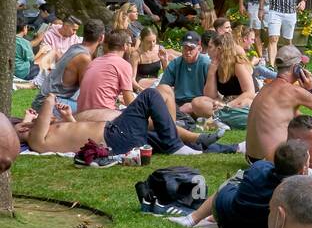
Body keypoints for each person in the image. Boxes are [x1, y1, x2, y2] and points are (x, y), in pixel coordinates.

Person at [172, 138, 310, 228]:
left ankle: (192, 219)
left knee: (234, 180)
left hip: (230, 219)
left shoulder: (259, 167)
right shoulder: (302, 193)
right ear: (302, 169)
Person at [16, 88, 200, 157]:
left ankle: (214, 146)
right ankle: (175, 146)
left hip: (116, 134)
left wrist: (68, 118)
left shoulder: (45, 134)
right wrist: (48, 97)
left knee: (155, 137)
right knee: (150, 95)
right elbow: (47, 107)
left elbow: (75, 133)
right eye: (20, 128)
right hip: (114, 137)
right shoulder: (36, 140)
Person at [245, 47, 312, 164]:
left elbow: (300, 122)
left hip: (252, 158)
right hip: (278, 160)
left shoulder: (266, 88)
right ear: (297, 68)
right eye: (302, 66)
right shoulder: (293, 91)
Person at [32, 19, 105, 112]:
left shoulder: (75, 48)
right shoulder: (83, 58)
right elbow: (86, 91)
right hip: (49, 104)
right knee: (96, 110)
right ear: (101, 38)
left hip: (43, 100)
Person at [77, 29, 137, 114]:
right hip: (103, 114)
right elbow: (129, 101)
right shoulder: (124, 65)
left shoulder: (95, 61)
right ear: (125, 46)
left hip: (81, 111)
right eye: (130, 43)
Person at [199, 32, 256, 114]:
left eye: (210, 47)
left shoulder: (237, 64)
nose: (208, 52)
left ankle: (221, 118)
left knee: (245, 103)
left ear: (219, 49)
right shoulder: (214, 66)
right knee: (198, 102)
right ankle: (223, 118)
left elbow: (250, 92)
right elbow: (210, 96)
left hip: (243, 101)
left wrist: (227, 106)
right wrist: (211, 72)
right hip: (226, 101)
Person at [158, 30, 211, 116]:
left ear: (199, 48)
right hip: (178, 102)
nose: (187, 52)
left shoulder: (206, 63)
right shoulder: (175, 63)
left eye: (191, 49)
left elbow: (212, 94)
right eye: (185, 48)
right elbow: (163, 86)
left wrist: (192, 105)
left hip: (199, 102)